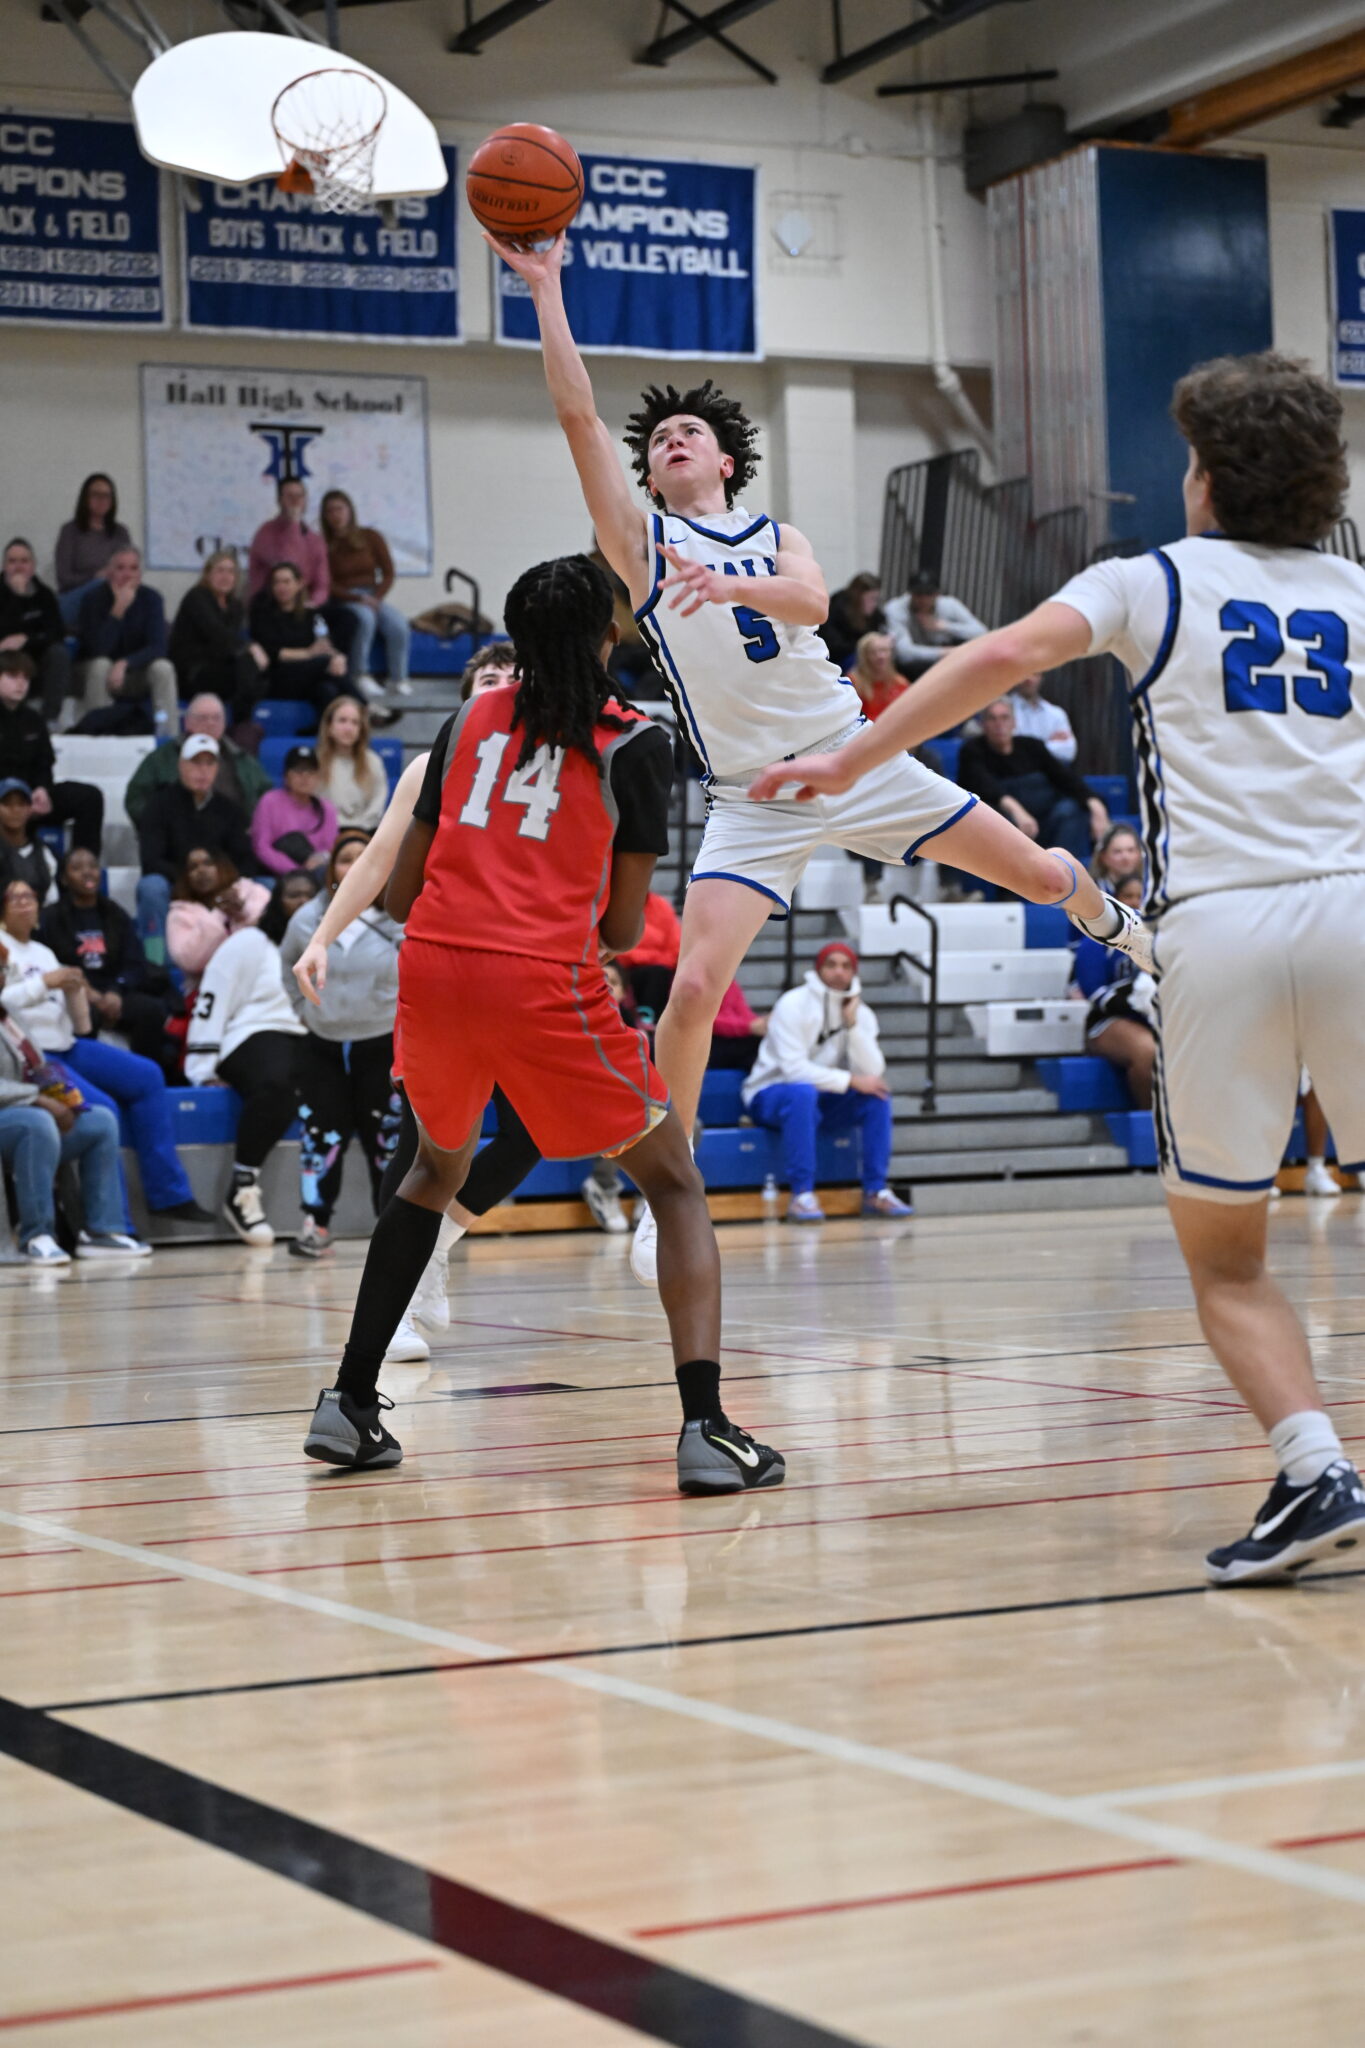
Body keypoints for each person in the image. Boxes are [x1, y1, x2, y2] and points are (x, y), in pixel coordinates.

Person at [750, 348, 1365, 1585]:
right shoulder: (1360, 591)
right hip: (1358, 910)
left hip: (1223, 930)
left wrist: (852, 759)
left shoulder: (1152, 580)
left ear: (1207, 478)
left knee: (1228, 1253)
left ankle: (1315, 1469)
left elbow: (996, 661)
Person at [490, 227, 1147, 1290]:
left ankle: (1131, 932)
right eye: (658, 439)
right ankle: (673, 1184)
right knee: (695, 984)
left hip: (857, 756)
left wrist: (736, 587)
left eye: (690, 432)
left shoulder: (774, 535)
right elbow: (576, 415)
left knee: (1037, 874)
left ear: (727, 461)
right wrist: (547, 288)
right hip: (756, 798)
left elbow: (811, 602)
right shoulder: (642, 547)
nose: (671, 442)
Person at [301, 552, 785, 1498]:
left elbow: (402, 887)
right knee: (675, 1181)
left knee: (430, 1172)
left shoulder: (465, 717)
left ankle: (348, 1405)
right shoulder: (633, 741)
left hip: (433, 968)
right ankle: (707, 1429)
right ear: (610, 632)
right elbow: (616, 926)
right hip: (539, 980)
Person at [1, 877, 204, 1227]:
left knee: (147, 1075)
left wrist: (76, 991)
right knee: (102, 1108)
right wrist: (44, 984)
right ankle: (113, 1223)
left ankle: (168, 1193)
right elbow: (3, 1004)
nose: (24, 902)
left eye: (29, 896)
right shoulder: (2, 948)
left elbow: (79, 1026)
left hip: (69, 1042)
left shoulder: (43, 951)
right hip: (36, 1058)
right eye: (14, 897)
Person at [279, 831, 402, 1257]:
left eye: (362, 858)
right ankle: (316, 1224)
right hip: (322, 1046)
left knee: (384, 1140)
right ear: (331, 868)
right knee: (320, 1137)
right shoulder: (308, 921)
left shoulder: (399, 918)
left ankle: (391, 1229)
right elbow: (287, 967)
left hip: (381, 1045)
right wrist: (304, 1009)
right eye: (344, 859)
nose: (352, 867)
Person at [185, 871, 314, 1246]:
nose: (302, 902)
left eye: (310, 894)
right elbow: (212, 999)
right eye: (293, 894)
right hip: (252, 1033)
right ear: (277, 901)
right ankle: (242, 1188)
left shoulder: (330, 947)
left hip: (310, 1039)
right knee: (279, 1083)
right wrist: (201, 1067)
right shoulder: (250, 942)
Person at [742, 940, 911, 1223]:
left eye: (845, 966)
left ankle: (876, 1190)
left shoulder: (861, 1013)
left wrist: (852, 1027)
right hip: (768, 1093)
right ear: (818, 970)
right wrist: (850, 1079)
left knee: (877, 1095)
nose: (838, 972)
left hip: (819, 1096)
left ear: (854, 972)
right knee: (802, 1094)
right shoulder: (792, 1004)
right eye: (831, 965)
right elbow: (794, 1070)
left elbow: (873, 1070)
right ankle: (802, 1195)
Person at [0, 994, 146, 1264]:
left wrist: (62, 1095)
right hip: (11, 1117)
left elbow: (39, 1066)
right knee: (38, 1123)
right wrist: (37, 1098)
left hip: (28, 1112)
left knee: (100, 1120)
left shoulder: (10, 1014)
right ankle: (36, 1236)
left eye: (1, 969)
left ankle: (101, 1231)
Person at [41, 847, 180, 1074]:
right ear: (64, 879)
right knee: (85, 1015)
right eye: (77, 868)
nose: (87, 873)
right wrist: (90, 994)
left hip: (114, 990)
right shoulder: (50, 918)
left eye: (93, 866)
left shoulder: (115, 913)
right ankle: (87, 1078)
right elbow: (47, 961)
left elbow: (134, 963)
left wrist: (116, 991)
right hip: (74, 992)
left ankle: (150, 1077)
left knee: (151, 1011)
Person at [136, 733, 256, 949]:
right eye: (196, 762)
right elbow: (150, 859)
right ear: (181, 765)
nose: (203, 770)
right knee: (151, 887)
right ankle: (157, 962)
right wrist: (190, 879)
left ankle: (255, 956)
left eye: (209, 763)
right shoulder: (159, 805)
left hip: (221, 884)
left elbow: (245, 859)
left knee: (265, 886)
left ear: (217, 769)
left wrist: (220, 881)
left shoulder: (230, 810)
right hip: (176, 883)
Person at [956, 697, 1108, 868]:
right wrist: (1016, 810)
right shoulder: (972, 750)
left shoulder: (1032, 746)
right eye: (992, 718)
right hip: (1005, 827)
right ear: (983, 724)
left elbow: (1065, 778)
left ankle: (1065, 870)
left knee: (1071, 810)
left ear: (1014, 722)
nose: (999, 724)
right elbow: (985, 785)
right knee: (1000, 819)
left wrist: (1095, 803)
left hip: (1044, 823)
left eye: (1005, 718)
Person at [0, 653, 103, 854]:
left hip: (32, 798)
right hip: (3, 801)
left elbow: (44, 762)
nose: (21, 683)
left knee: (89, 797)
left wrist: (42, 789)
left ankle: (82, 865)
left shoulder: (34, 720)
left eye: (25, 678)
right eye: (13, 676)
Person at [124, 693, 272, 831]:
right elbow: (135, 800)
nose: (210, 723)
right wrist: (162, 825)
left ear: (224, 723)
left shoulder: (242, 758)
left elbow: (267, 797)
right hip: (179, 837)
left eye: (216, 718)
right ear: (187, 722)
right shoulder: (162, 757)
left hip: (236, 836)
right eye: (203, 718)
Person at [1073, 874, 1156, 1111]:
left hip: (1159, 1017)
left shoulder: (1163, 936)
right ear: (1116, 900)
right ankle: (1149, 1119)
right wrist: (1138, 997)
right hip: (1109, 1020)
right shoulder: (1094, 942)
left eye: (1140, 897)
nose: (1134, 902)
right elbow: (1096, 994)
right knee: (1148, 1049)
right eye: (1127, 897)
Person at [74, 546, 178, 733]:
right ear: (109, 572)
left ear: (140, 573)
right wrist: (118, 610)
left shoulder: (152, 598)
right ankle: (96, 733)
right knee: (101, 664)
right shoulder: (92, 599)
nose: (127, 574)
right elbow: (97, 648)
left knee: (163, 668)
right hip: (97, 673)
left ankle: (167, 737)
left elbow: (158, 647)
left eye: (133, 568)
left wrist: (125, 663)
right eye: (120, 568)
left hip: (134, 672)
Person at [320, 489, 411, 698]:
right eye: (330, 511)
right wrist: (357, 599)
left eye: (340, 509)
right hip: (345, 598)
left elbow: (388, 572)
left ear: (350, 510)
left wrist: (376, 597)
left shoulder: (370, 537)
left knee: (399, 624)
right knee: (365, 618)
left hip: (373, 594)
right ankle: (360, 674)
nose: (336, 515)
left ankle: (399, 679)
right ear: (325, 516)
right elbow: (327, 583)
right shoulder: (324, 545)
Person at [168, 550, 269, 726]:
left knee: (259, 676)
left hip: (219, 668)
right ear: (208, 574)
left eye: (231, 571)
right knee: (247, 669)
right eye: (220, 570)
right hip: (193, 672)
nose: (226, 576)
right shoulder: (197, 596)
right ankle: (241, 724)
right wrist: (251, 646)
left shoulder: (235, 606)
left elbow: (228, 647)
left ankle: (240, 723)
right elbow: (217, 634)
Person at [247, 562, 357, 717]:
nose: (281, 587)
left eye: (286, 581)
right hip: (277, 678)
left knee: (327, 689)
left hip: (309, 676)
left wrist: (337, 656)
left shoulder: (309, 615)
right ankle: (364, 706)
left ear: (299, 584)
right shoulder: (261, 614)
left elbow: (322, 645)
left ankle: (319, 734)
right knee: (325, 663)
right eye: (276, 582)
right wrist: (309, 653)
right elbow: (270, 651)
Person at [166, 846, 270, 986]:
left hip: (260, 979)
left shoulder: (253, 891)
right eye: (193, 867)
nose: (201, 871)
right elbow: (190, 961)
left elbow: (272, 932)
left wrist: (242, 913)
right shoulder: (179, 914)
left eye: (208, 863)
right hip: (208, 990)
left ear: (223, 866)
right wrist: (220, 914)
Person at [0, 539, 72, 723]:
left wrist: (26, 638)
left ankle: (49, 721)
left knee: (59, 654)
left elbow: (56, 633)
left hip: (38, 662)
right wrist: (17, 598)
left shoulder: (44, 595)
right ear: (4, 566)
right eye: (12, 561)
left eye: (24, 561)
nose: (18, 567)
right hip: (5, 660)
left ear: (32, 566)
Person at [54, 473, 132, 627]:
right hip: (75, 599)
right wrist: (95, 577)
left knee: (151, 601)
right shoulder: (70, 531)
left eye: (106, 496)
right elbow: (64, 578)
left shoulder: (121, 532)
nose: (101, 500)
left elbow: (129, 570)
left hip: (113, 594)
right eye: (95, 495)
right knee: (101, 584)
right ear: (85, 498)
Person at [250, 743, 337, 877]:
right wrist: (296, 872)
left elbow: (331, 849)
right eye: (298, 771)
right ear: (286, 776)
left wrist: (321, 859)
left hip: (318, 873)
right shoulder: (269, 801)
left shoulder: (327, 809)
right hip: (278, 875)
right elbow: (262, 847)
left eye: (311, 772)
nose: (305, 777)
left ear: (318, 777)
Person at [883, 569, 988, 677]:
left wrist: (945, 626)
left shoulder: (949, 605)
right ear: (910, 593)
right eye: (918, 594)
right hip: (914, 666)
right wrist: (943, 652)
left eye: (928, 594)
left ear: (937, 594)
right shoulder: (896, 609)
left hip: (947, 659)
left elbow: (981, 632)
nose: (923, 599)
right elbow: (904, 653)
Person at [315, 697, 388, 832]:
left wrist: (358, 828)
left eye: (355, 723)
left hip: (365, 832)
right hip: (326, 833)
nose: (348, 728)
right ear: (329, 727)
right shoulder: (316, 761)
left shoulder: (373, 761)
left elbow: (377, 803)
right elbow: (314, 807)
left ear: (361, 730)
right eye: (342, 721)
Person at [616, 888, 680, 1021]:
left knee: (658, 973)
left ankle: (648, 1020)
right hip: (621, 967)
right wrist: (652, 957)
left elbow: (675, 949)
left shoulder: (662, 905)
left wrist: (638, 957)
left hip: (656, 970)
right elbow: (613, 947)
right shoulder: (615, 905)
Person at [0, 780, 54, 904]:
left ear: (30, 809)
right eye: (7, 804)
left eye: (21, 804)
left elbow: (51, 901)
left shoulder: (44, 853)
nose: (15, 810)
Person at [819, 571, 885, 672]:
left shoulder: (875, 615)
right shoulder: (836, 609)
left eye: (876, 599)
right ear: (858, 597)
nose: (874, 604)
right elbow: (834, 647)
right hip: (836, 659)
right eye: (872, 599)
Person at [1010, 670, 1078, 761]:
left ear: (1041, 677)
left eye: (1034, 674)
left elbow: (1069, 752)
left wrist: (1032, 748)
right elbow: (1010, 751)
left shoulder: (1056, 714)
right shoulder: (1003, 713)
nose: (1029, 679)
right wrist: (1049, 744)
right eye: (1025, 674)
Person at [847, 630, 909, 720]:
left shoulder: (899, 681)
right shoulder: (853, 681)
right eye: (873, 652)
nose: (880, 656)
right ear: (865, 656)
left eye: (884, 650)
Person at [709, 977, 766, 1071]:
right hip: (710, 1042)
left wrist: (761, 1023)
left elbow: (744, 1012)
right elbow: (708, 1022)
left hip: (733, 1039)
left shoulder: (729, 981)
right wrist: (748, 1027)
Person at [1091, 822, 1144, 892]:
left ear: (1139, 853)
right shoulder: (1093, 889)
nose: (1125, 857)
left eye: (1130, 850)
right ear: (1103, 857)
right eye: (1117, 851)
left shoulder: (1149, 887)